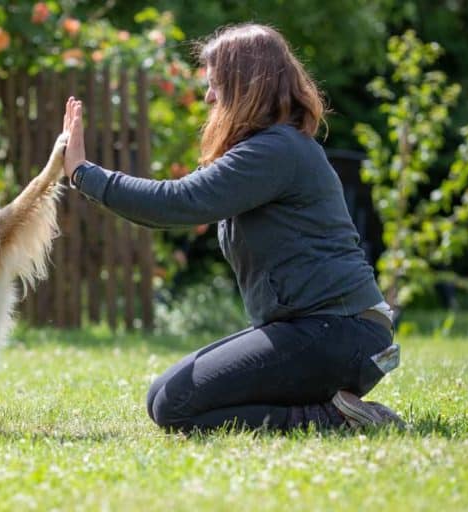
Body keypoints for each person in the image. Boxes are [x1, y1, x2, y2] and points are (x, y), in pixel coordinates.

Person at [60, 23, 404, 432]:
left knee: (177, 405)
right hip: (327, 331)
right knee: (162, 397)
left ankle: (334, 418)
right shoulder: (271, 149)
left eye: (216, 84)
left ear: (247, 84)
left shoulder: (276, 151)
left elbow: (176, 202)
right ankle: (330, 404)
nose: (208, 96)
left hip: (341, 332)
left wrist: (83, 173)